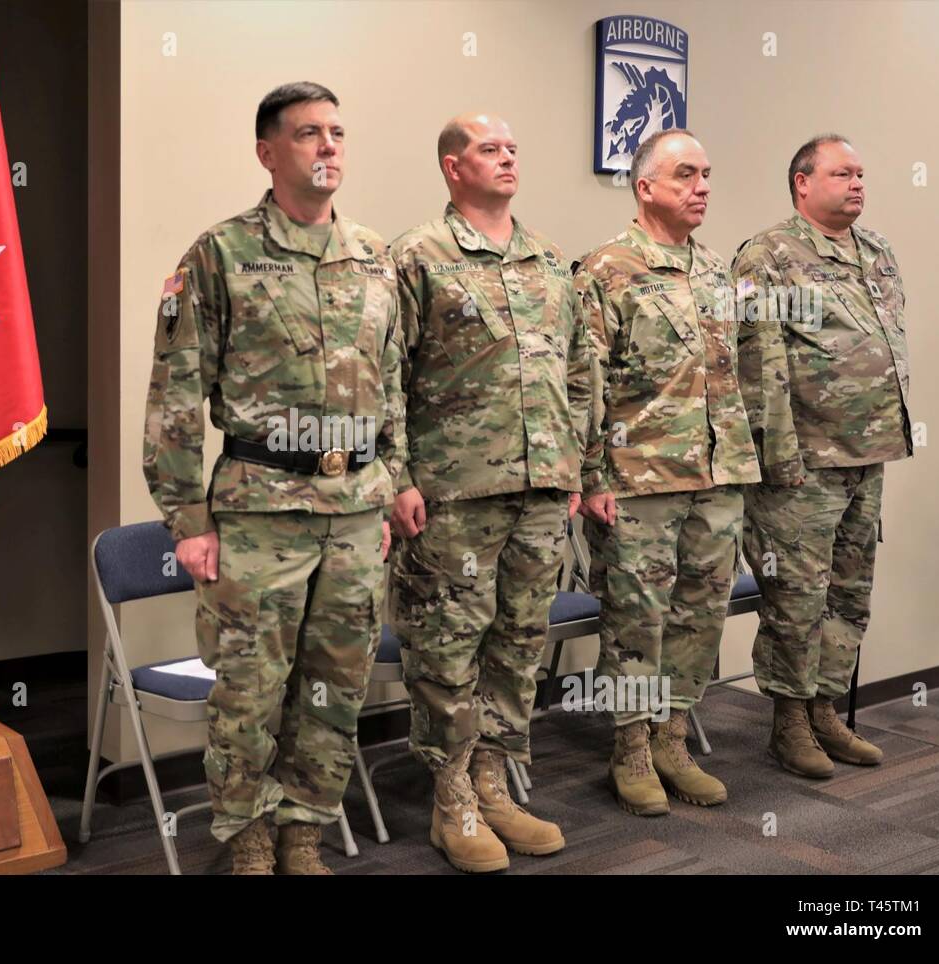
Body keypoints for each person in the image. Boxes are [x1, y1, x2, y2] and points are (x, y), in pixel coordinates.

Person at [142, 81, 406, 873]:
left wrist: (389, 486)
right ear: (268, 152)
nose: (328, 147)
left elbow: (391, 381)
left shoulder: (374, 255)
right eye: (307, 135)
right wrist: (188, 524)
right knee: (250, 692)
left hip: (356, 514)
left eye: (336, 133)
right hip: (260, 511)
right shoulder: (220, 255)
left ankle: (306, 829)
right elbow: (177, 393)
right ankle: (246, 833)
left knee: (335, 686)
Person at [388, 113, 591, 872]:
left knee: (518, 643)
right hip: (453, 493)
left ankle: (494, 781)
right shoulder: (417, 255)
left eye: (513, 148)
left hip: (541, 489)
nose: (507, 158)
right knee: (448, 646)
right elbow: (385, 376)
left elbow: (577, 372)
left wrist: (571, 465)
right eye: (488, 149)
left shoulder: (548, 259)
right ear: (451, 166)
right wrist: (398, 477)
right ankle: (452, 799)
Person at [576, 128, 760, 816]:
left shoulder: (717, 271)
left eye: (707, 174)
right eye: (686, 174)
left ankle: (672, 737)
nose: (702, 186)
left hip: (717, 473)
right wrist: (593, 477)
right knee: (637, 620)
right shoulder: (606, 269)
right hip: (639, 478)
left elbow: (732, 375)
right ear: (646, 186)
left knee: (699, 615)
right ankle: (629, 747)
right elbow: (584, 384)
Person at [732, 135, 910, 778]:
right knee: (795, 599)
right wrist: (777, 458)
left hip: (870, 453)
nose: (857, 183)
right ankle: (787, 724)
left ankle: (826, 710)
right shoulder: (768, 255)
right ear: (803, 183)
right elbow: (760, 363)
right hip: (803, 462)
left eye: (862, 172)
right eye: (842, 173)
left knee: (849, 594)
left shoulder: (878, 251)